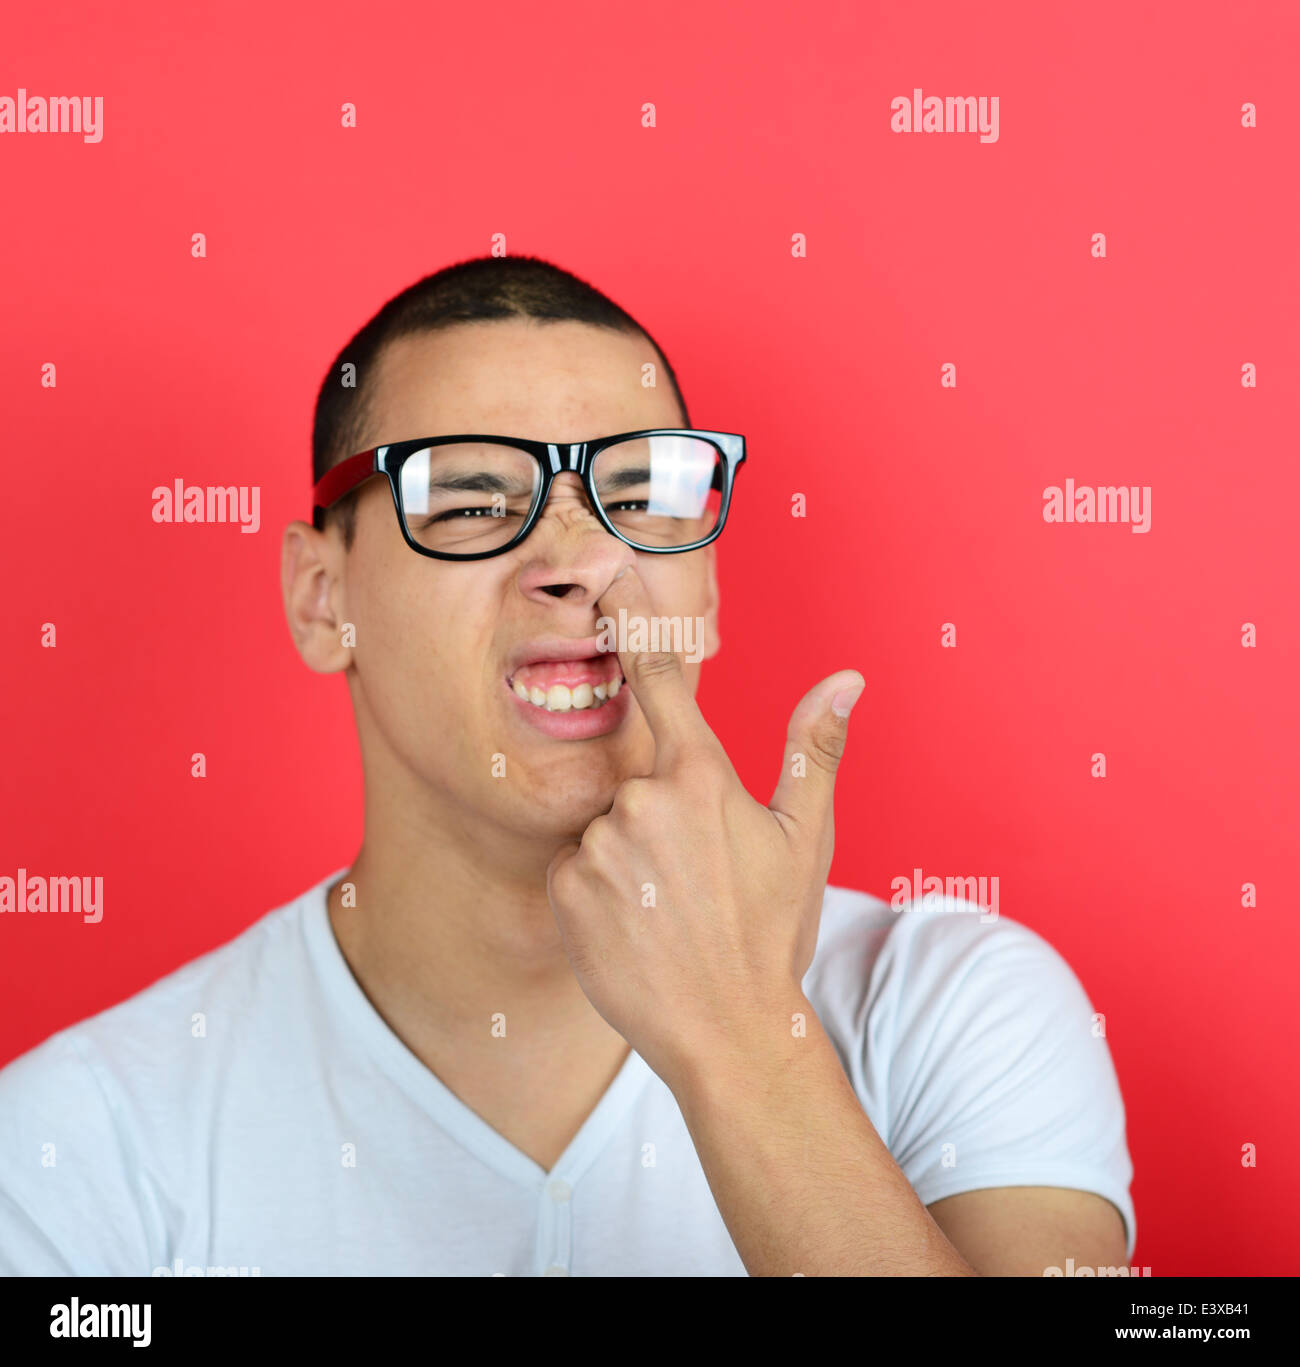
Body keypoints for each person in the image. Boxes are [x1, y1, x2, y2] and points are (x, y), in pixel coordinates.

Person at [0, 255, 1135, 1276]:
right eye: (470, 497)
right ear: (321, 595)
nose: (581, 562)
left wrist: (745, 1037)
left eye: (639, 495)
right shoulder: (78, 1142)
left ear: (708, 589)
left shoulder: (949, 1005)